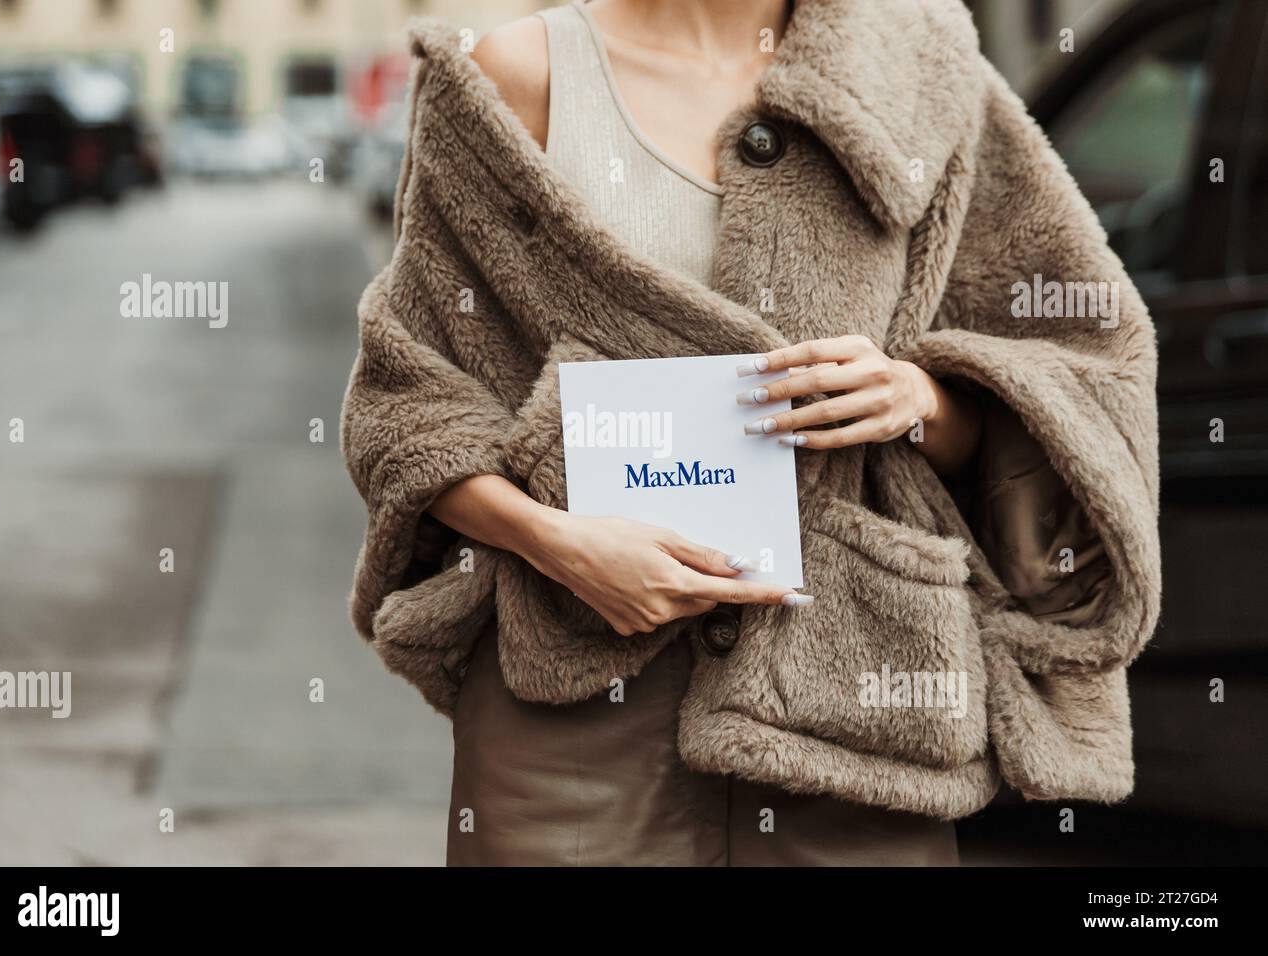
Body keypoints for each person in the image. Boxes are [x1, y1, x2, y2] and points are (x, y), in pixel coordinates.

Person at [341, 0, 1162, 866]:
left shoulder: (914, 64)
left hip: (856, 698)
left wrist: (921, 397)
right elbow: (409, 397)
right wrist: (559, 544)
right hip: (574, 698)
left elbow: (1086, 355)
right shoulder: (518, 71)